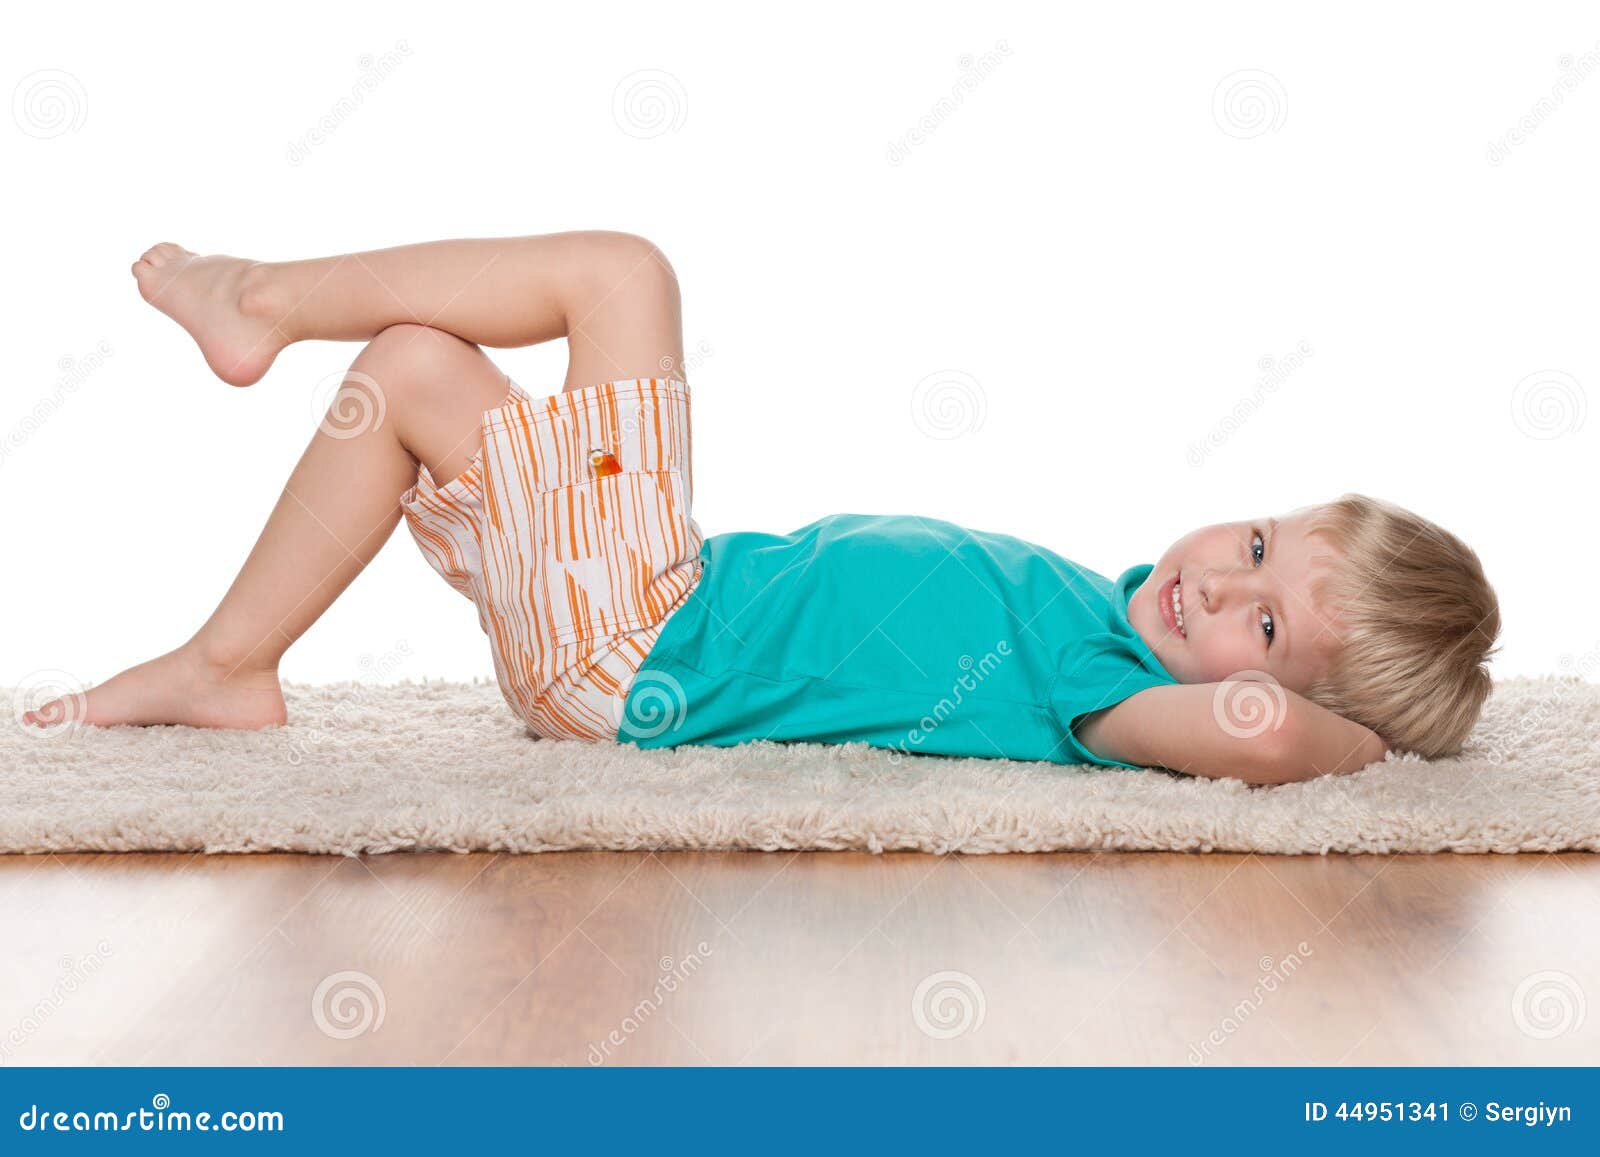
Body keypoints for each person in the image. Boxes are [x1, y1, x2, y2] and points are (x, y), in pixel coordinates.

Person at [22, 232, 1500, 785]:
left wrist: (1360, 730)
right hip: (646, 605)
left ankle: (259, 295)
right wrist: (1296, 645)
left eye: (1263, 625)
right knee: (412, 368)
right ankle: (229, 665)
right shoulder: (1094, 600)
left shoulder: (1104, 694)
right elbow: (1258, 678)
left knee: (622, 280)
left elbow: (1258, 730)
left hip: (642, 640)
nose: (1218, 588)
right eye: (1255, 546)